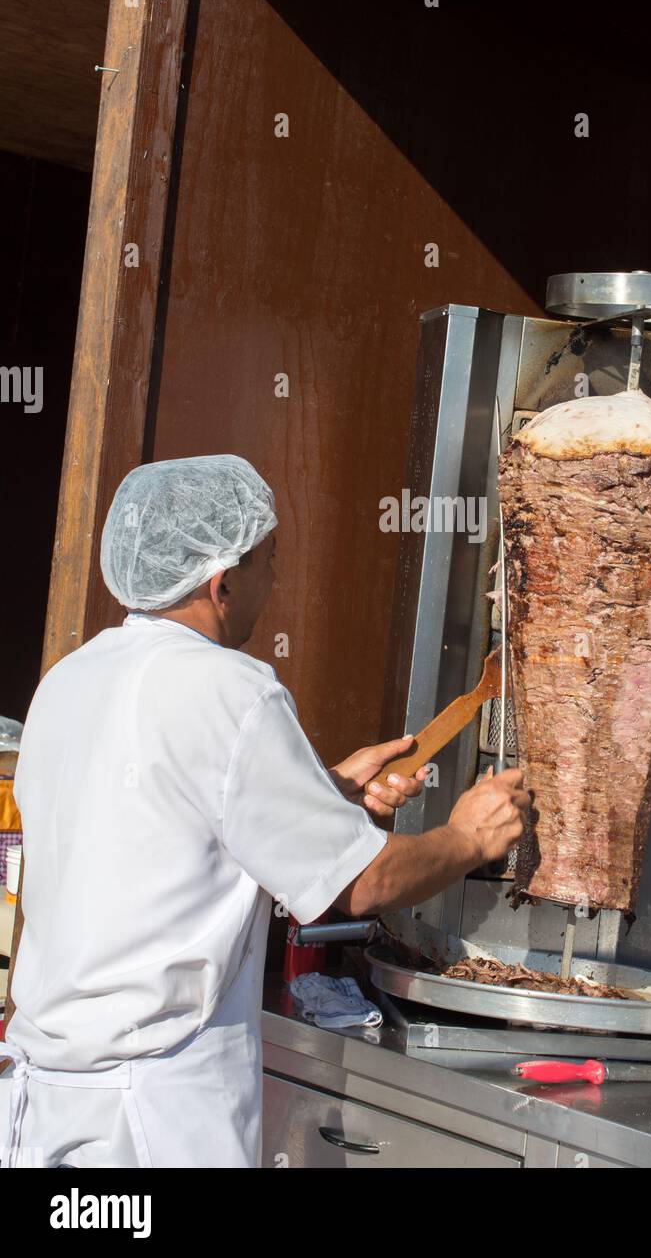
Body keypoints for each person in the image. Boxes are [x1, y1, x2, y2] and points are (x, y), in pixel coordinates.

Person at [1, 455, 527, 1168]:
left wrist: (324, 790)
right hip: (148, 1118)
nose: (274, 584)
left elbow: (157, 814)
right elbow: (361, 885)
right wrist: (469, 836)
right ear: (223, 582)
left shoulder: (69, 680)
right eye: (270, 563)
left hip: (44, 1105)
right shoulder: (231, 689)